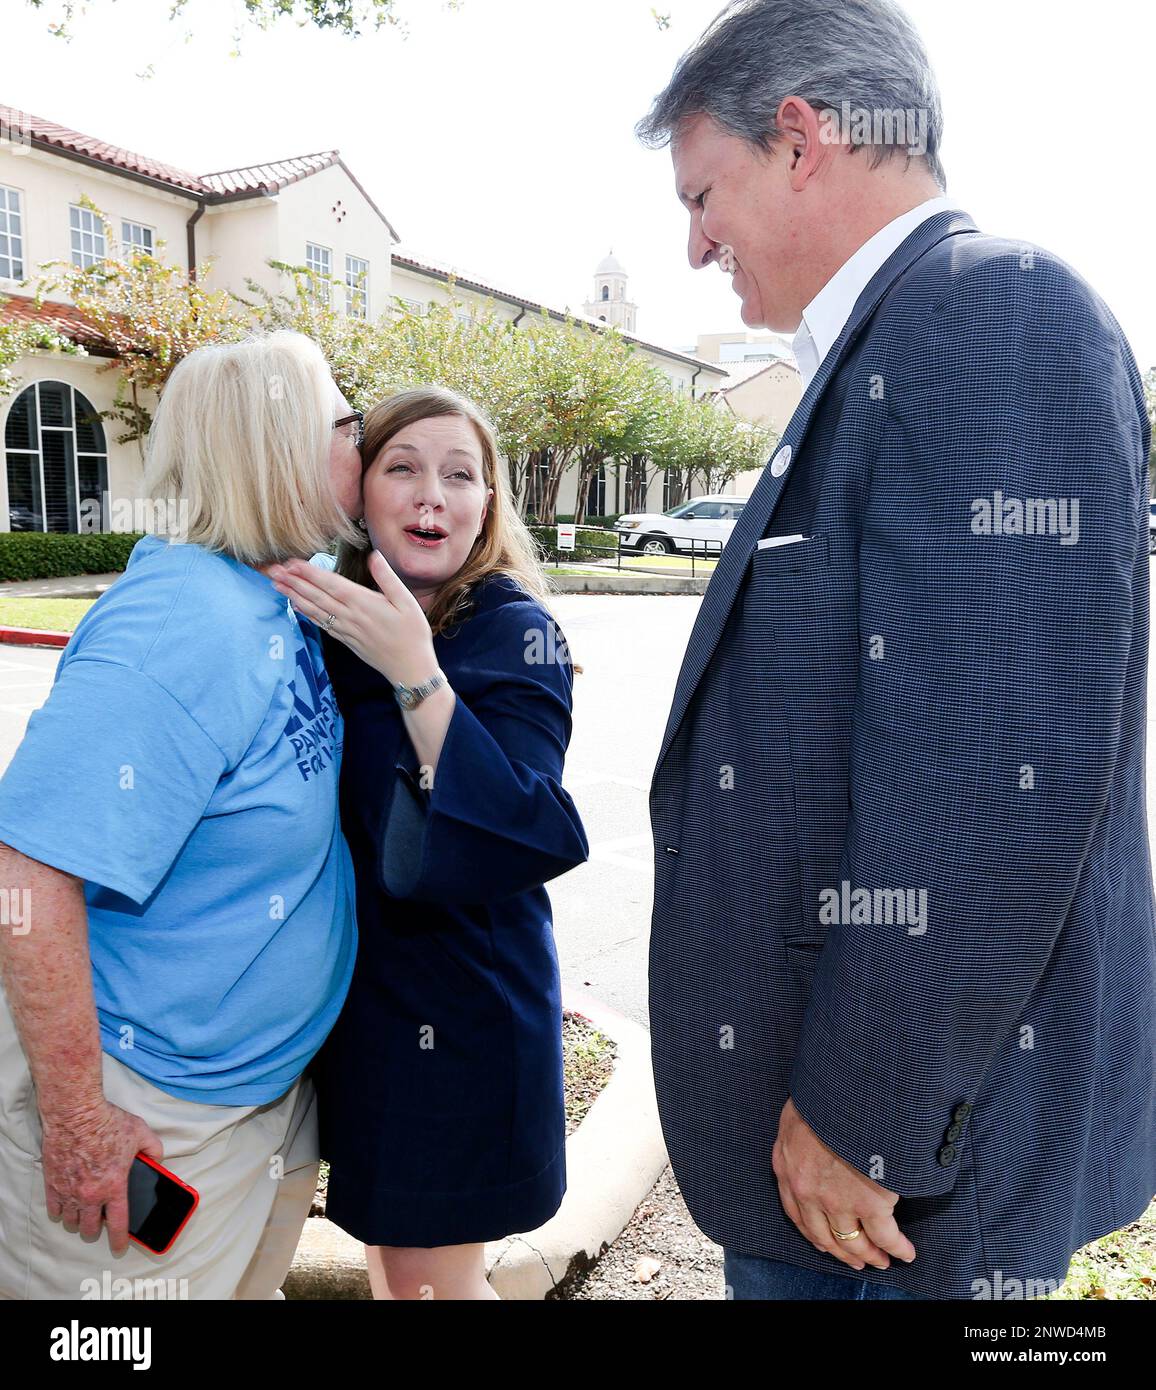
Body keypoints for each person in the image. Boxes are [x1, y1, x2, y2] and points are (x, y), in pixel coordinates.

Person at [636, 0, 1155, 1300]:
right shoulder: (891, 340)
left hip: (904, 1174)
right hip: (842, 1150)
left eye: (706, 193)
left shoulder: (997, 318)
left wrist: (866, 1112)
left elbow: (996, 785)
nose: (694, 245)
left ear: (802, 139)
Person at [0, 329, 362, 1300]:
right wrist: (79, 1119)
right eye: (343, 421)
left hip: (254, 1104)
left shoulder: (277, 593)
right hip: (149, 1110)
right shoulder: (182, 622)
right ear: (276, 450)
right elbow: (23, 879)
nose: (362, 440)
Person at [267, 383, 590, 1301]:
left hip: (461, 1010)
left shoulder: (510, 630)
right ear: (360, 489)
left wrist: (416, 675)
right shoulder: (334, 617)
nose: (430, 496)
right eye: (401, 468)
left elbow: (528, 825)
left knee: (427, 1283)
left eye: (460, 475)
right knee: (392, 1263)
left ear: (488, 501)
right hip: (367, 1009)